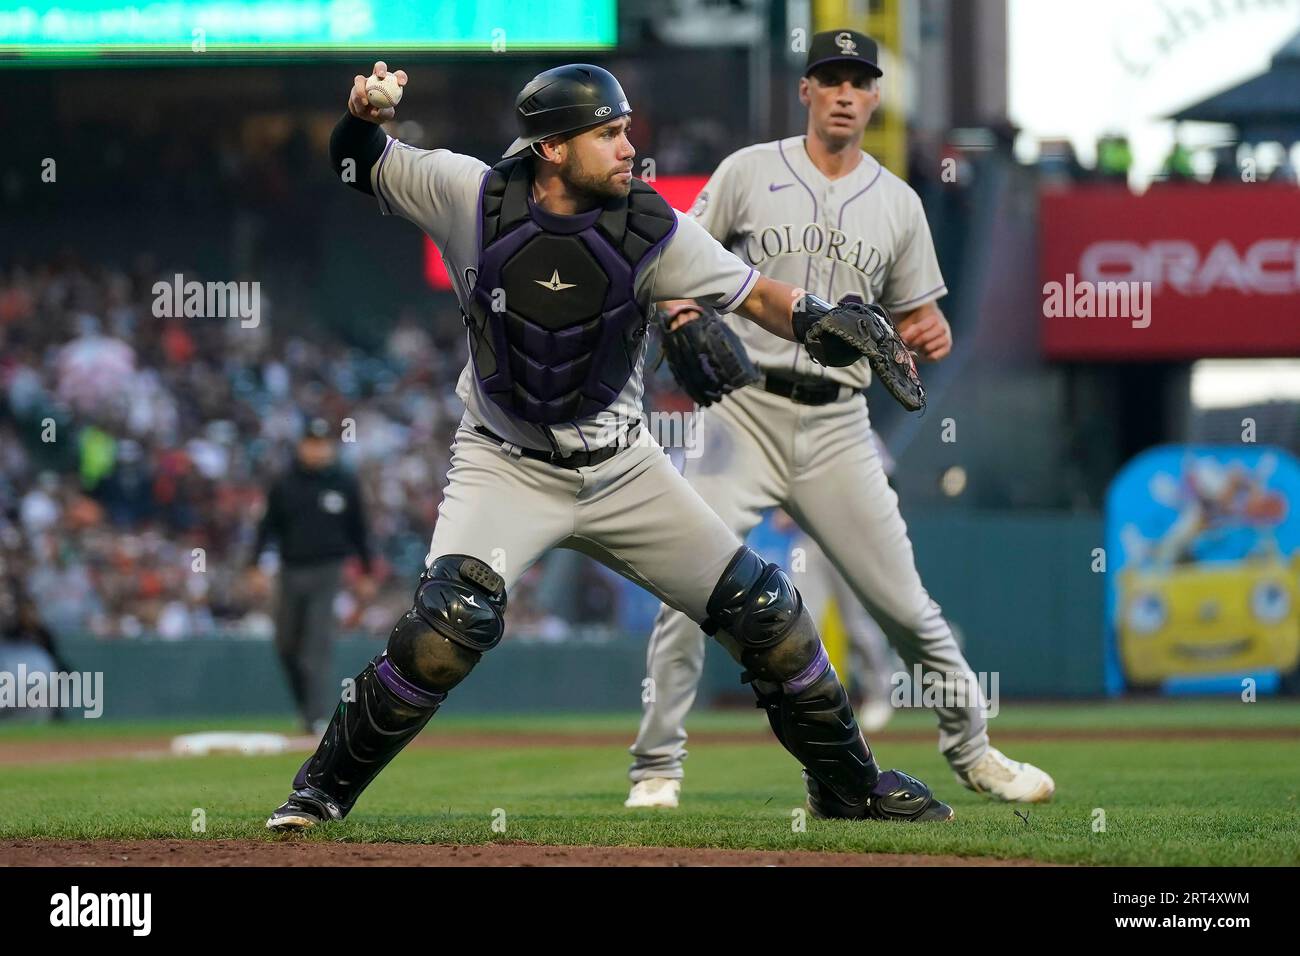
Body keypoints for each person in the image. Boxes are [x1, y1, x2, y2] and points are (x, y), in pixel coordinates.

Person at [265, 59, 956, 830]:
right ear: (553, 148)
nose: (630, 148)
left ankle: (847, 787)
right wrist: (363, 115)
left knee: (768, 615)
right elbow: (356, 162)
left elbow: (761, 295)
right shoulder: (468, 192)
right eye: (609, 133)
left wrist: (827, 317)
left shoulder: (650, 224)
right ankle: (318, 792)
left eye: (626, 130)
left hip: (623, 466)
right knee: (444, 631)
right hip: (505, 460)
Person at [624, 30, 1054, 811]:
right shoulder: (748, 172)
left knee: (904, 607)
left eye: (860, 80)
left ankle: (976, 750)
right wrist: (682, 309)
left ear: (876, 96)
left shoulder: (900, 203)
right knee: (686, 590)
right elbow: (673, 252)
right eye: (832, 78)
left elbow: (920, 317)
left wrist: (931, 329)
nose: (846, 92)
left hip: (838, 426)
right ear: (807, 90)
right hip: (742, 407)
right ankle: (657, 767)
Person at [253, 417, 373, 734]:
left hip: (328, 570)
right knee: (286, 644)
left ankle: (316, 716)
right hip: (290, 569)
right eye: (311, 443)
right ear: (301, 445)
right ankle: (307, 711)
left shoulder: (344, 482)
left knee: (316, 646)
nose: (317, 449)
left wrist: (367, 571)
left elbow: (360, 531)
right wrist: (254, 565)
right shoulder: (285, 483)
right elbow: (266, 527)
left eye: (322, 443)